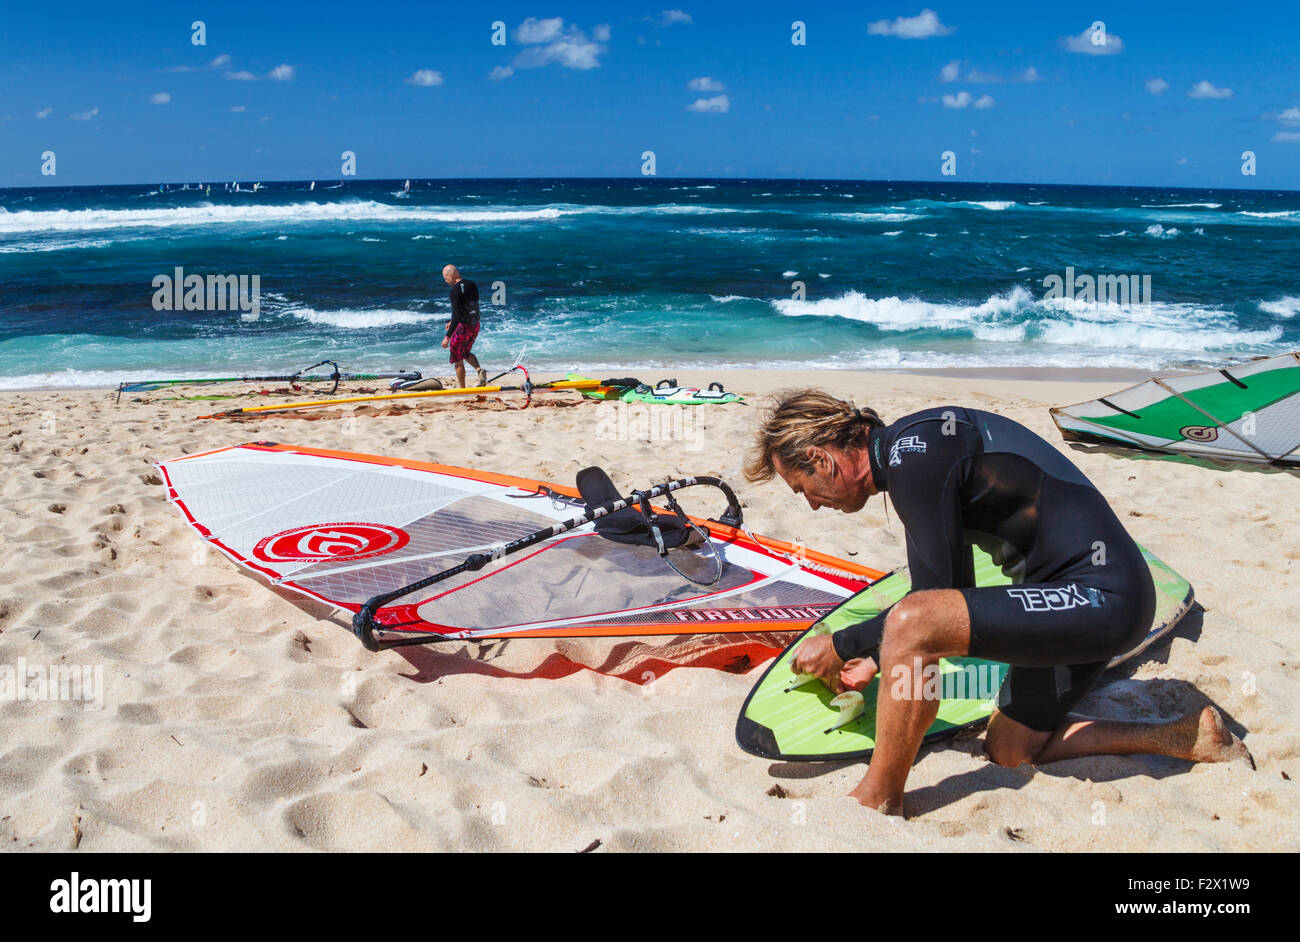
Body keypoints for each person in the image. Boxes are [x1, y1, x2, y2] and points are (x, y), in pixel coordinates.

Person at [745, 391, 1251, 816]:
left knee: (915, 623)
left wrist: (843, 643)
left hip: (1101, 598)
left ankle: (878, 798)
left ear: (821, 459)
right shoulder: (915, 451)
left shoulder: (913, 451)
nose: (811, 502)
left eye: (802, 488)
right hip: (1067, 607)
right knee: (1010, 749)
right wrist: (878, 653)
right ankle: (1180, 736)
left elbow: (931, 602)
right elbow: (950, 590)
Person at [441, 264, 487, 388]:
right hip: (475, 325)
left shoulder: (455, 291)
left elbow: (456, 315)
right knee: (465, 352)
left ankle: (462, 388)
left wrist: (447, 337)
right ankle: (479, 370)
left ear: (451, 275)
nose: (446, 281)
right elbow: (470, 307)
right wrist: (453, 320)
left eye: (445, 278)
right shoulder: (472, 284)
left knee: (457, 358)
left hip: (463, 327)